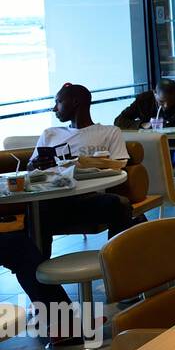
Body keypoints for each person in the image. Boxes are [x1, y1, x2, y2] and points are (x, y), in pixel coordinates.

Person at [27, 83, 139, 252]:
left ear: (75, 102)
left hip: (86, 200)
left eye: (58, 102)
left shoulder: (109, 132)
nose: (54, 109)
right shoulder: (50, 134)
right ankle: (39, 274)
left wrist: (88, 163)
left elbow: (119, 166)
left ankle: (116, 264)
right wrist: (34, 165)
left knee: (121, 205)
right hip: (50, 201)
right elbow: (29, 168)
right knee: (34, 213)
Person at [115, 79, 175, 177]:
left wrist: (171, 122)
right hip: (152, 145)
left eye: (170, 102)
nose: (166, 106)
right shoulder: (144, 100)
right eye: (161, 102)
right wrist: (142, 124)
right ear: (154, 93)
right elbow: (119, 121)